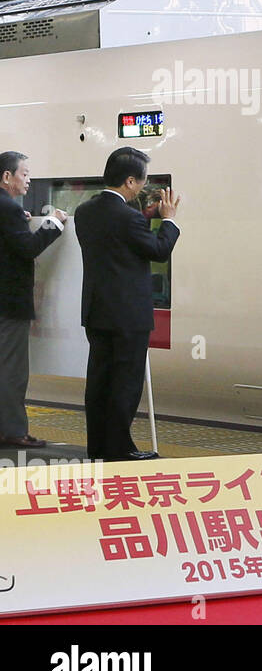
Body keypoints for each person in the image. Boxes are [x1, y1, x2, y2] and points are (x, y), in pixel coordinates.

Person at [75, 148, 180, 461]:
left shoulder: (86, 211)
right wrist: (169, 221)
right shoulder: (127, 217)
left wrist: (145, 216)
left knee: (99, 382)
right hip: (128, 316)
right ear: (131, 181)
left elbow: (118, 240)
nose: (145, 185)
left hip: (97, 311)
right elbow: (158, 250)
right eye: (143, 180)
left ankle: (98, 447)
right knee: (125, 383)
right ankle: (120, 449)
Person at [0, 152, 68, 448]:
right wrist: (53, 222)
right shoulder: (7, 209)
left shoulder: (9, 211)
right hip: (8, 304)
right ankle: (13, 431)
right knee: (11, 369)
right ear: (6, 177)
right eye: (24, 174)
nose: (28, 180)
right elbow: (27, 248)